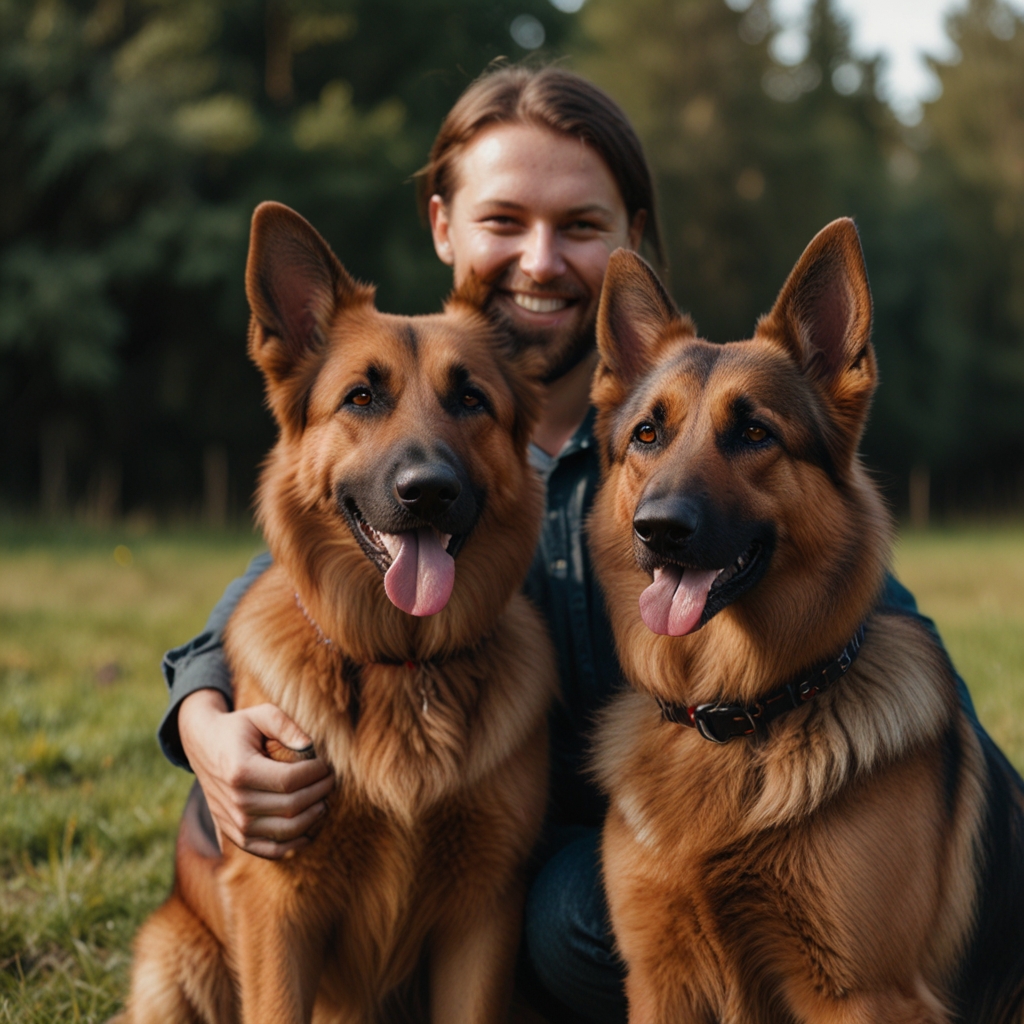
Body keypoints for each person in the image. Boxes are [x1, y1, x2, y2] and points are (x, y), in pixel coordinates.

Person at [158, 64, 979, 1024]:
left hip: (601, 850)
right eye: (505, 220)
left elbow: (852, 595)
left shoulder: (673, 421)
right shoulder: (414, 434)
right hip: (528, 851)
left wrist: (944, 802)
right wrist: (200, 714)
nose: (541, 261)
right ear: (443, 227)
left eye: (581, 226)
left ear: (632, 236)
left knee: (571, 915)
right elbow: (295, 563)